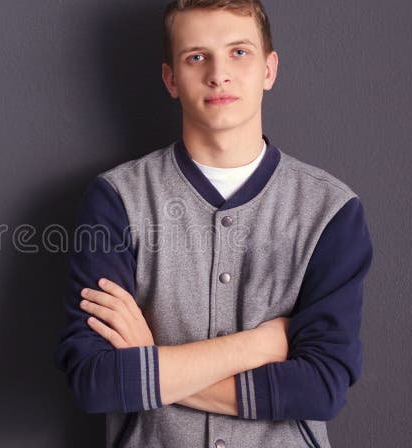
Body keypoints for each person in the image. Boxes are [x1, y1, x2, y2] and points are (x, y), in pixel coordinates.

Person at [52, 1, 374, 447]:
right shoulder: (116, 200)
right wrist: (259, 346)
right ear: (171, 79)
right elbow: (96, 380)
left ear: (269, 69)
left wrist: (149, 362)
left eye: (239, 52)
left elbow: (322, 387)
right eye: (196, 56)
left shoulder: (331, 211)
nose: (218, 74)